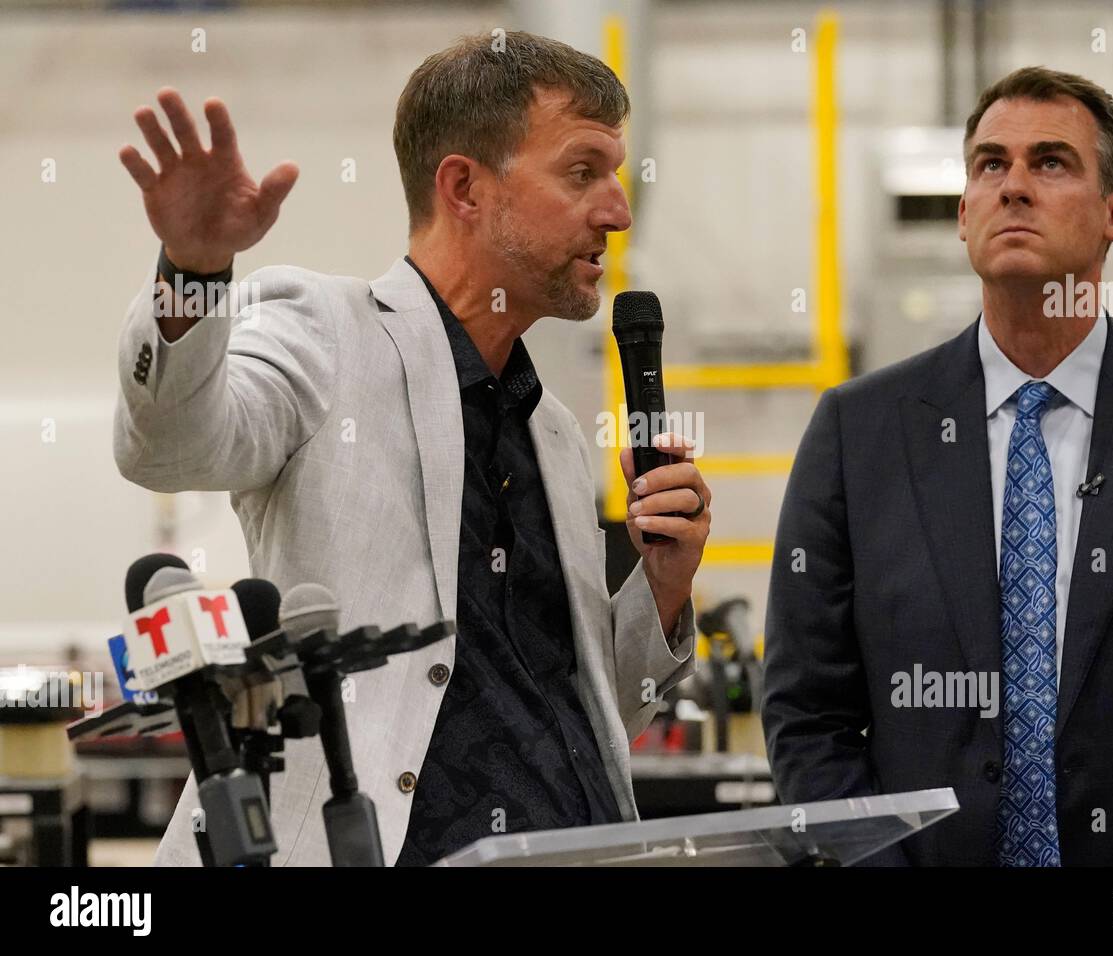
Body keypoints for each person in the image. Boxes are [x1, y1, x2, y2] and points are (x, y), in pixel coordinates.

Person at [115, 31, 710, 866]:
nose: (616, 208)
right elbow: (171, 450)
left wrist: (663, 587)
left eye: (615, 175)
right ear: (464, 187)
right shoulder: (323, 331)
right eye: (582, 172)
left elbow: (587, 706)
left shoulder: (555, 433)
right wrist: (193, 270)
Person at [761, 66, 1113, 866]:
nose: (1014, 186)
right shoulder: (858, 431)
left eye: (1051, 163)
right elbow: (808, 716)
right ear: (963, 215)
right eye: (990, 165)